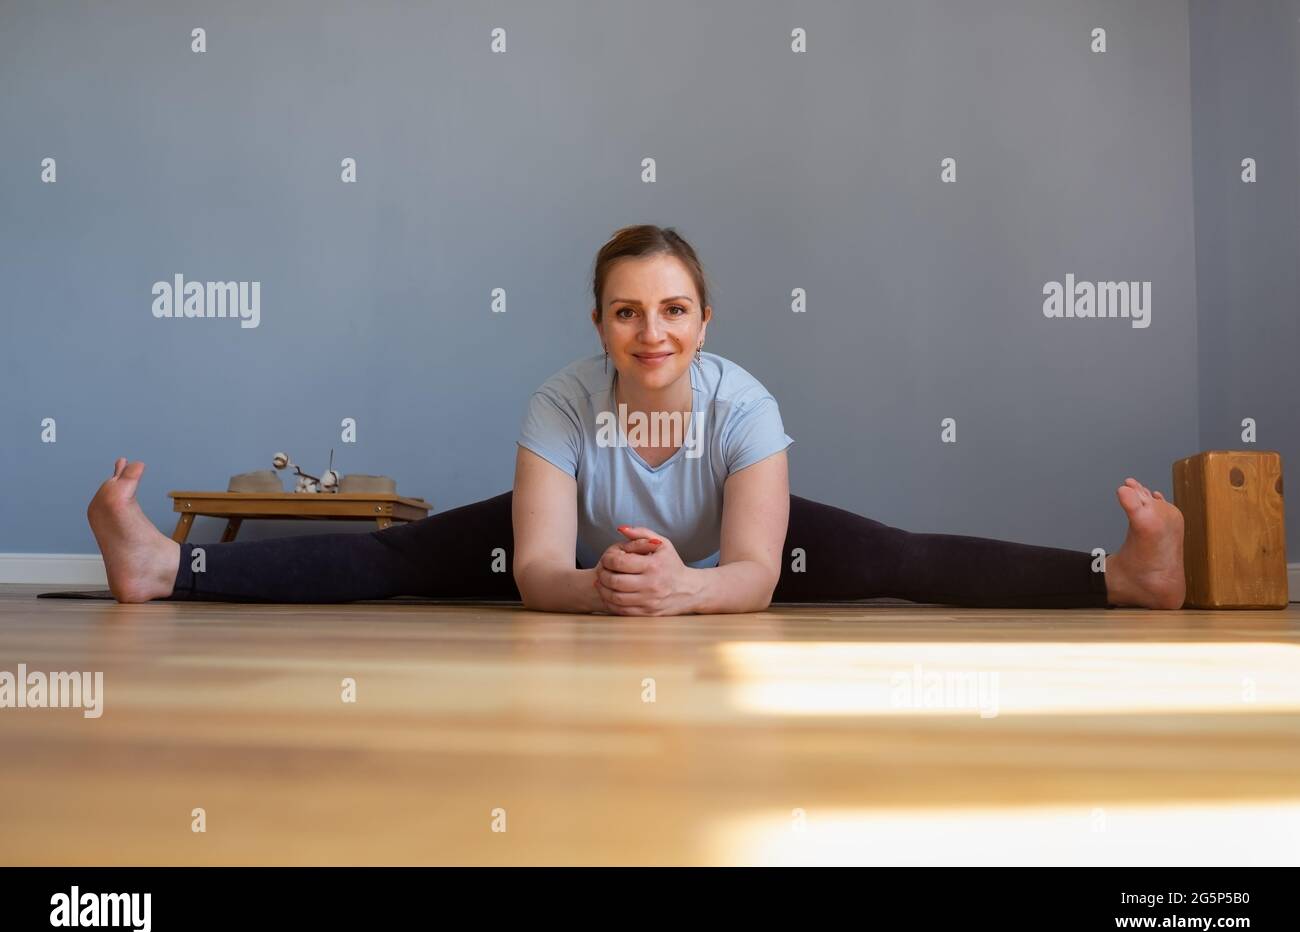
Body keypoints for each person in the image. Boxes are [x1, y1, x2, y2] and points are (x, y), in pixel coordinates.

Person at [86, 225, 1186, 613]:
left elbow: (753, 570)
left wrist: (687, 589)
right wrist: (604, 590)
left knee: (896, 553)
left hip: (714, 558)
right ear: (601, 323)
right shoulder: (561, 402)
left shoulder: (743, 403)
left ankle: (1123, 578)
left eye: (670, 309)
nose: (649, 331)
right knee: (404, 556)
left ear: (703, 318)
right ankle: (165, 572)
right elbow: (536, 570)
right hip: (590, 558)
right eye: (626, 311)